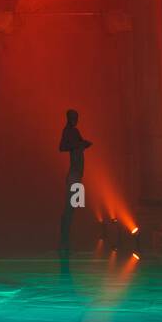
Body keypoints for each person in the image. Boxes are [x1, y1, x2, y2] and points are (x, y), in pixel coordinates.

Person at [58, 109, 92, 254]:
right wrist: (77, 145)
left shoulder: (75, 132)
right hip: (74, 175)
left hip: (77, 175)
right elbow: (62, 147)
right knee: (70, 208)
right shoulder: (68, 131)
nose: (76, 119)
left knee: (74, 206)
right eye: (74, 117)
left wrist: (82, 144)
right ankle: (64, 242)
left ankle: (67, 241)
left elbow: (79, 143)